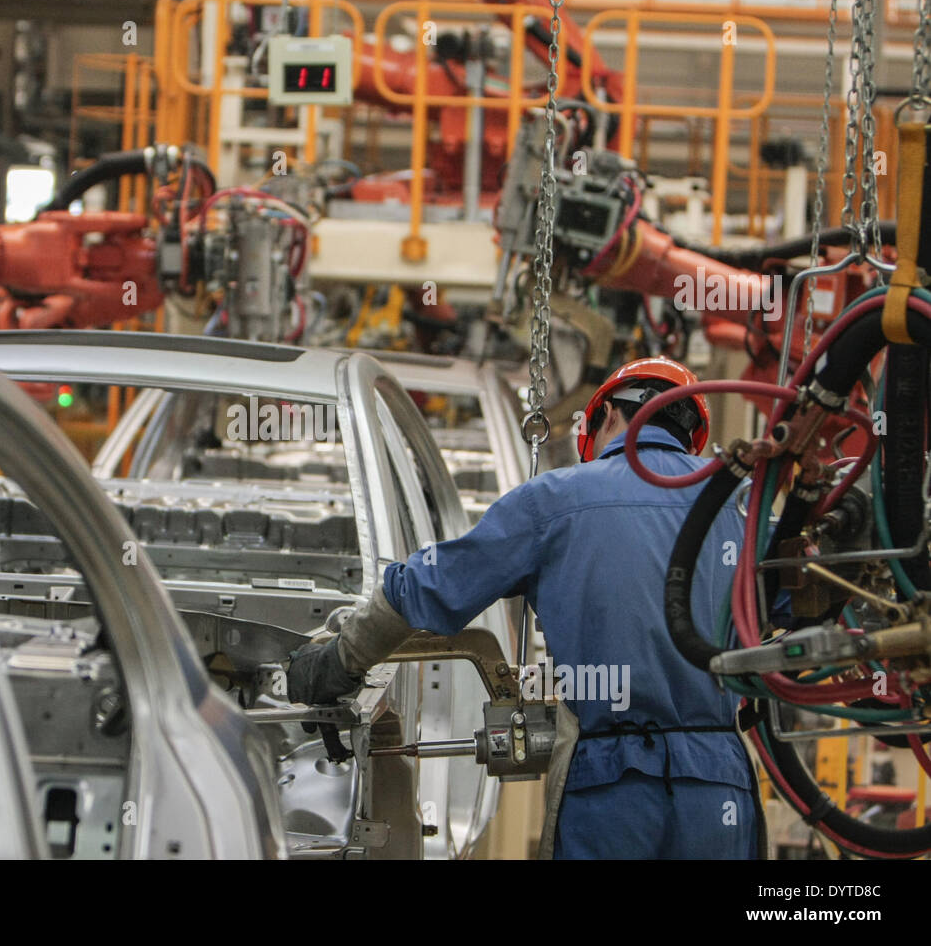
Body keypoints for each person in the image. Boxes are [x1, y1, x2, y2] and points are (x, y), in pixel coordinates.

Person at [287, 357, 761, 859]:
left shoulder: (555, 501)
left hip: (610, 786)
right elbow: (795, 616)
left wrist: (340, 660)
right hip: (720, 781)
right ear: (691, 433)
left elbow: (431, 584)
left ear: (608, 418)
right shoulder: (745, 506)